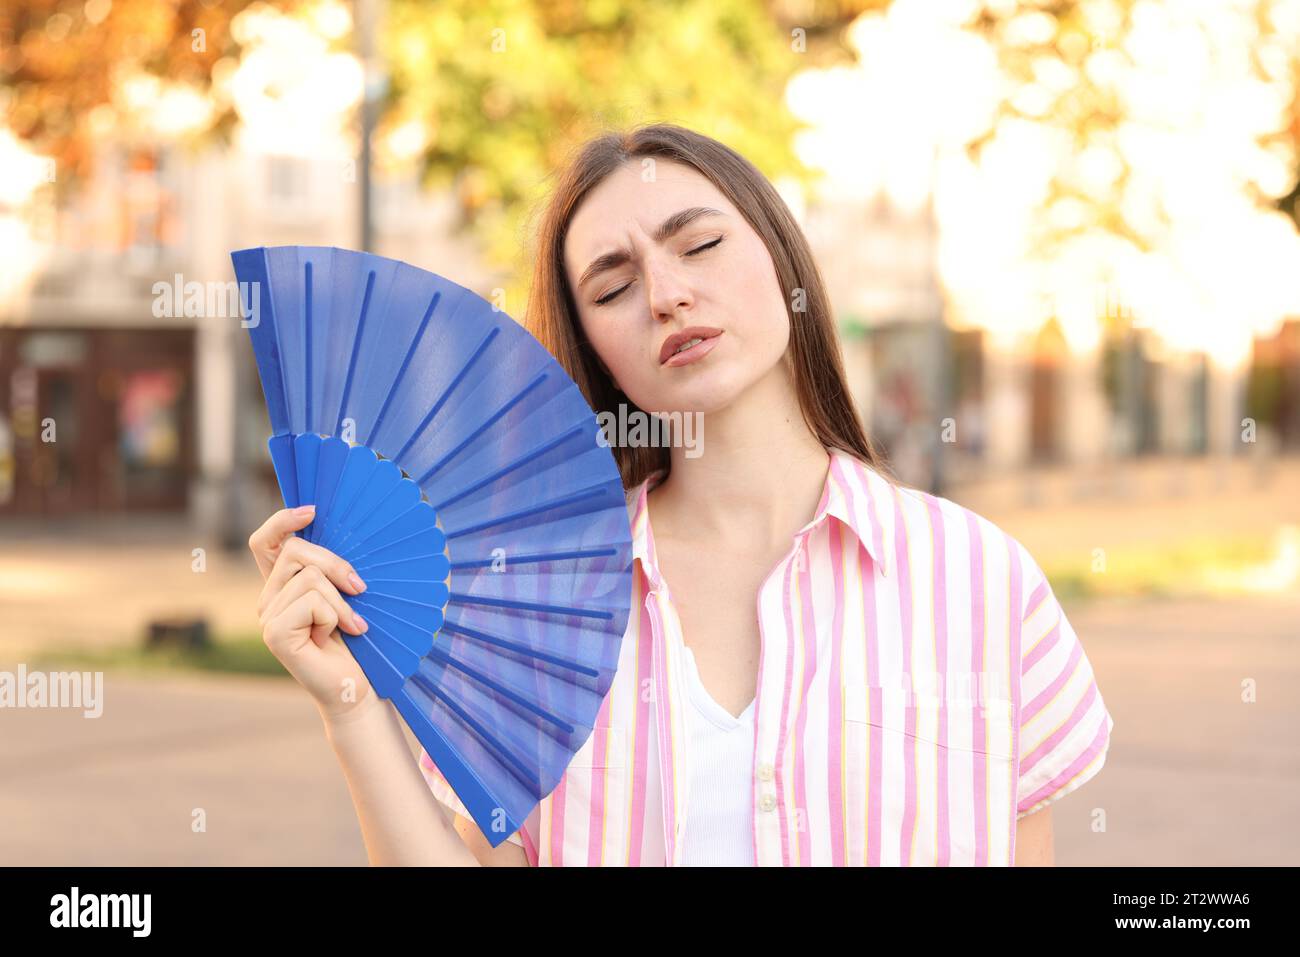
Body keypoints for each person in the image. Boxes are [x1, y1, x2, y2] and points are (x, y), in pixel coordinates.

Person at [247, 123, 1114, 866]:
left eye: (699, 244)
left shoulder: (980, 580)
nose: (668, 295)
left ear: (779, 255)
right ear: (593, 349)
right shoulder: (534, 599)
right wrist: (349, 702)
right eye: (614, 286)